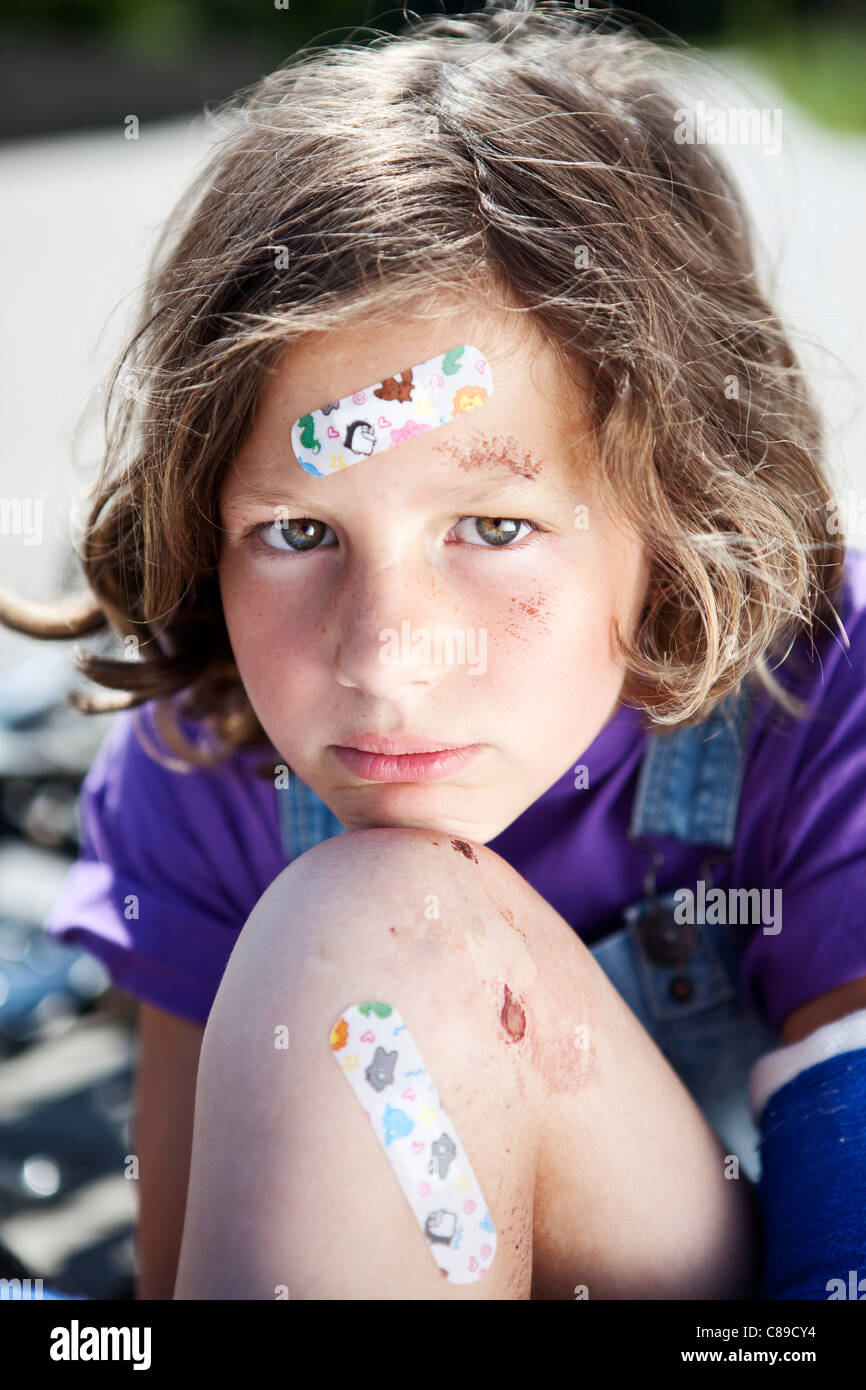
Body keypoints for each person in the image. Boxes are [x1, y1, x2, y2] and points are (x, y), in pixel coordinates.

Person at [3, 1, 865, 1300]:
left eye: (493, 525)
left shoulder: (824, 698)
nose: (385, 655)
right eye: (297, 528)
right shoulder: (207, 758)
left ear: (675, 510)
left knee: (376, 933)